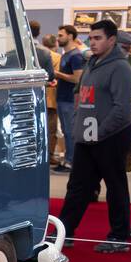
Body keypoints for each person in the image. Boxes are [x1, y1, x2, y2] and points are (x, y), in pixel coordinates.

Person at [57, 19, 131, 254]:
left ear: (112, 40)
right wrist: (77, 124)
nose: (92, 42)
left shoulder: (121, 68)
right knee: (77, 187)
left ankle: (119, 237)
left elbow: (122, 111)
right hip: (87, 137)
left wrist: (99, 133)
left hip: (111, 138)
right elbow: (81, 96)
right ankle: (65, 232)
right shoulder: (91, 63)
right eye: (90, 38)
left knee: (115, 186)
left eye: (98, 38)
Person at [53, 24, 86, 171]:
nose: (58, 38)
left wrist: (57, 74)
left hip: (70, 100)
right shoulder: (66, 55)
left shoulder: (76, 56)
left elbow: (77, 79)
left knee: (71, 132)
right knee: (66, 132)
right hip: (62, 97)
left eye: (61, 35)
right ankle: (68, 159)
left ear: (70, 36)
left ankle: (71, 162)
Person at [43, 34, 62, 165]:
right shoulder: (57, 57)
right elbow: (55, 76)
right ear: (55, 43)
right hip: (51, 97)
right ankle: (49, 155)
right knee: (51, 129)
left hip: (39, 96)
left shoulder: (37, 53)